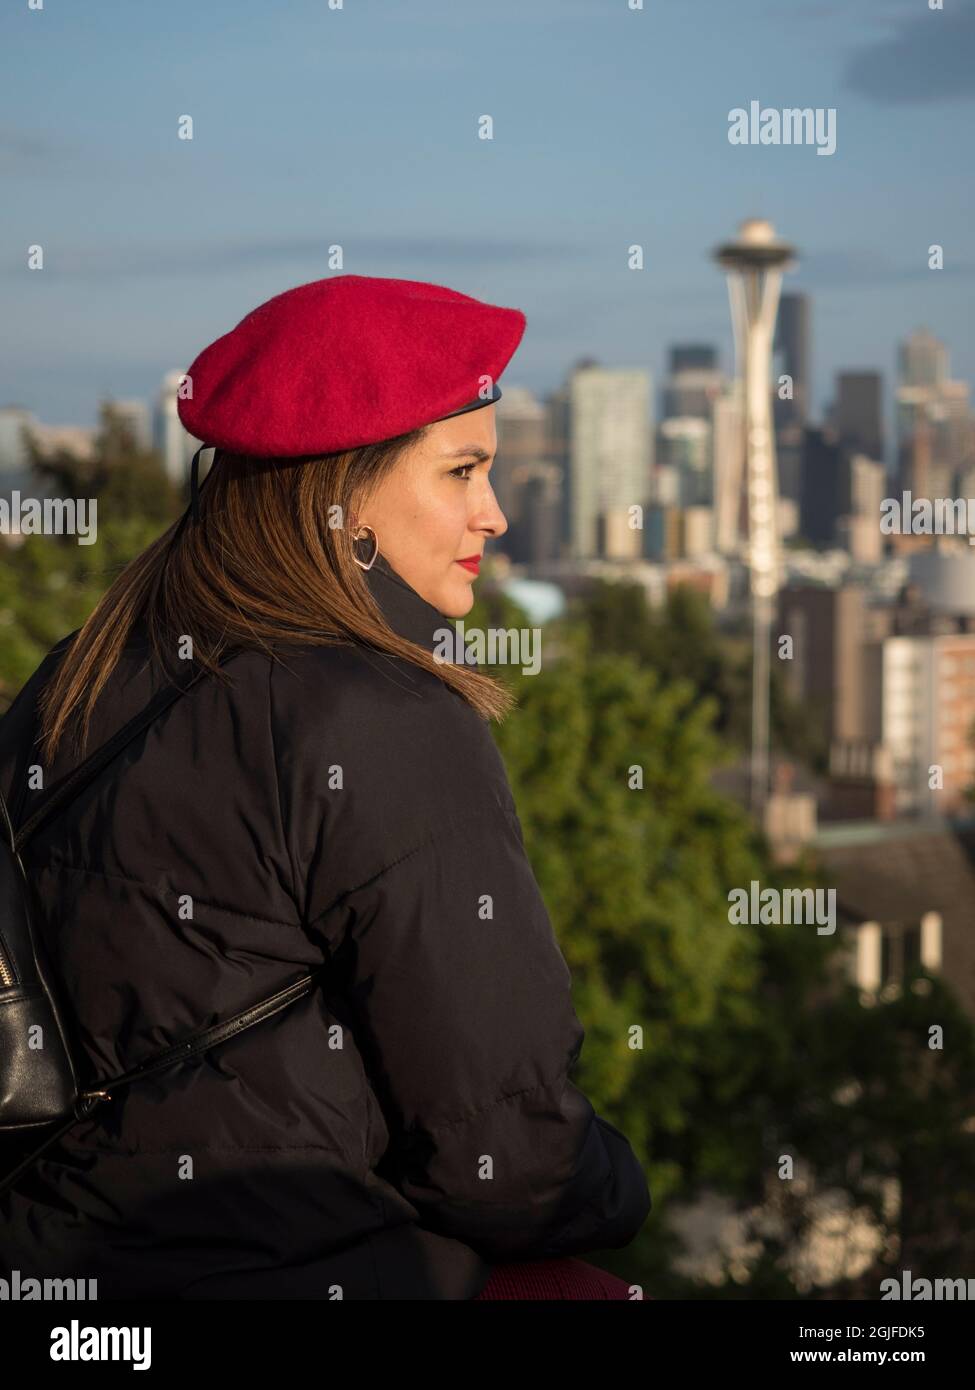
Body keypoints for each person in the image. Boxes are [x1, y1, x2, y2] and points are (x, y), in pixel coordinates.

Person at [0, 274, 650, 1300]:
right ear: (343, 496)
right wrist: (623, 1190)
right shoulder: (382, 718)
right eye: (463, 471)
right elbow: (505, 1161)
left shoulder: (87, 668)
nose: (494, 513)